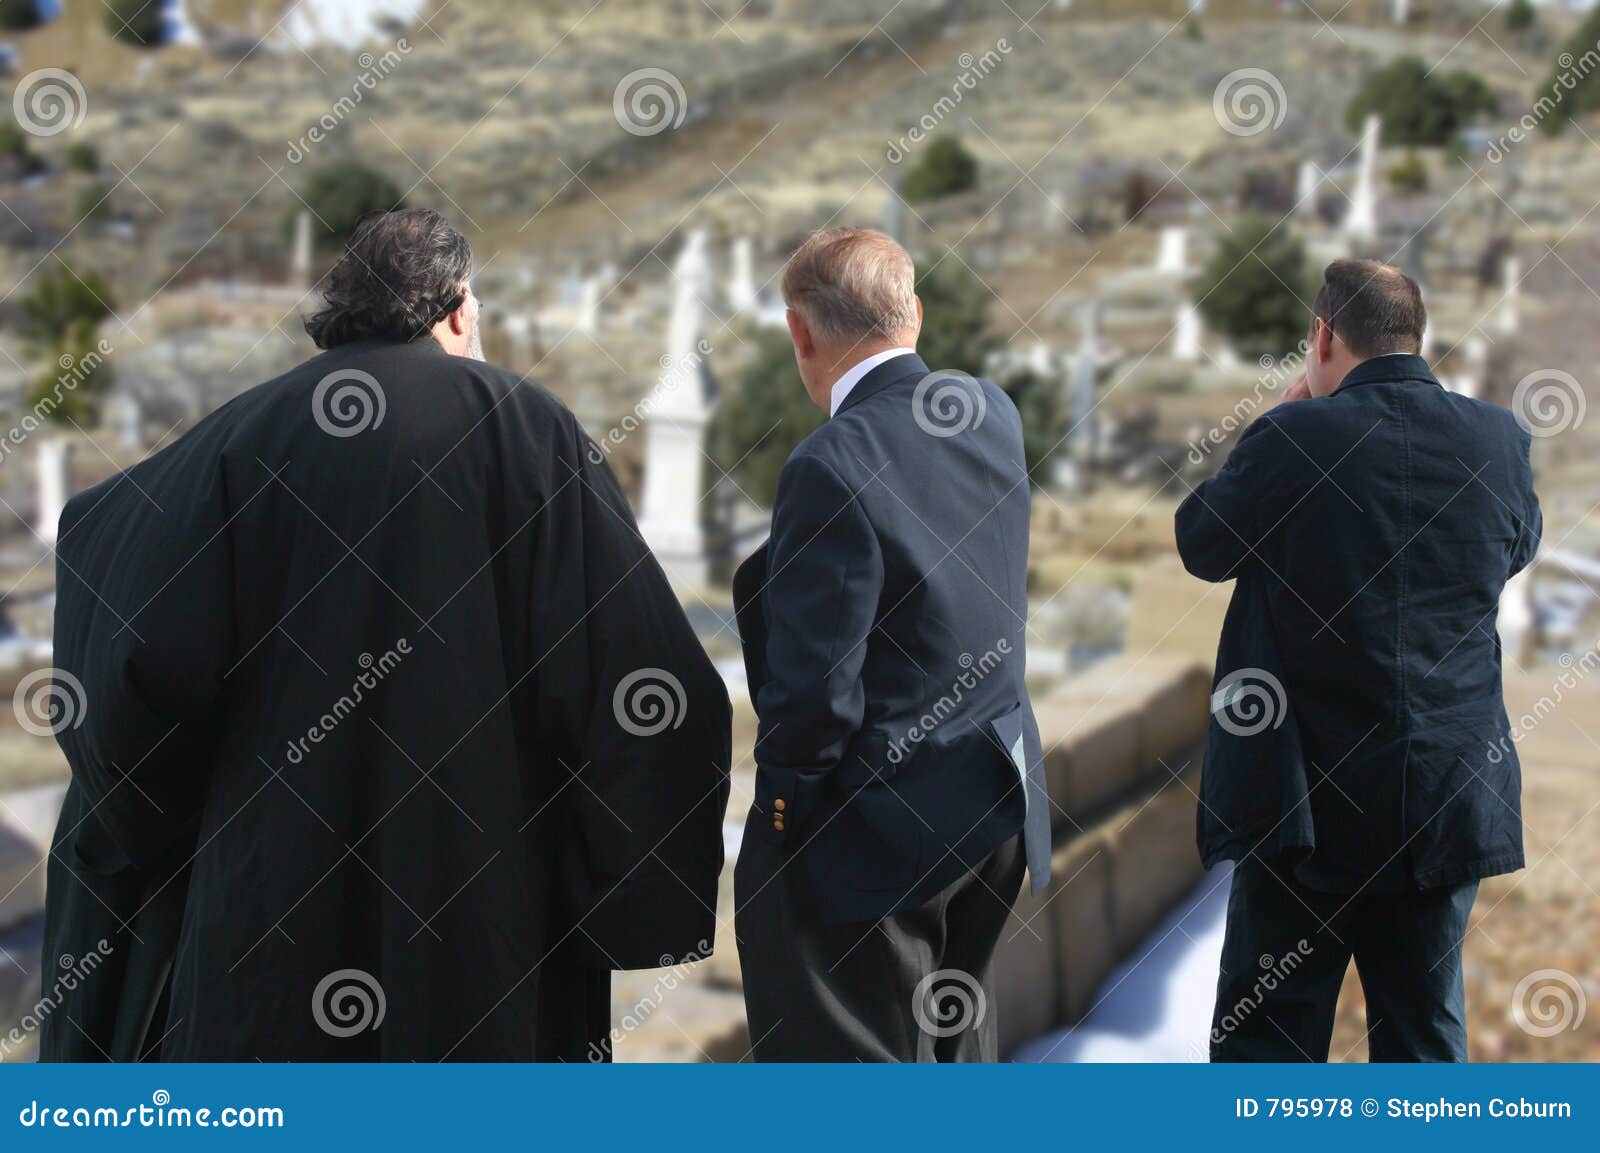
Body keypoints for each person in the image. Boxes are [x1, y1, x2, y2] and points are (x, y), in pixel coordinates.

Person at [41, 208, 731, 1061]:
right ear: (457, 312)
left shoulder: (234, 441)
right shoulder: (523, 426)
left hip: (265, 927)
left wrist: (188, 830)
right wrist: (622, 902)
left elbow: (110, 606)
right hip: (487, 925)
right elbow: (644, 678)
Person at [1177, 259, 1542, 1062]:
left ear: (1322, 336)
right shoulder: (1499, 440)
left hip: (1306, 807)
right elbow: (1513, 551)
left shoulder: (1292, 436)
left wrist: (1274, 420)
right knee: (1423, 1039)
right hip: (1444, 797)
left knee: (1268, 1045)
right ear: (1419, 337)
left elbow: (1202, 543)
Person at [732, 227, 1050, 1061]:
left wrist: (779, 815)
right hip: (990, 802)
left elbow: (815, 691)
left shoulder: (829, 463)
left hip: (876, 832)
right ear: (915, 312)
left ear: (802, 334)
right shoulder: (992, 413)